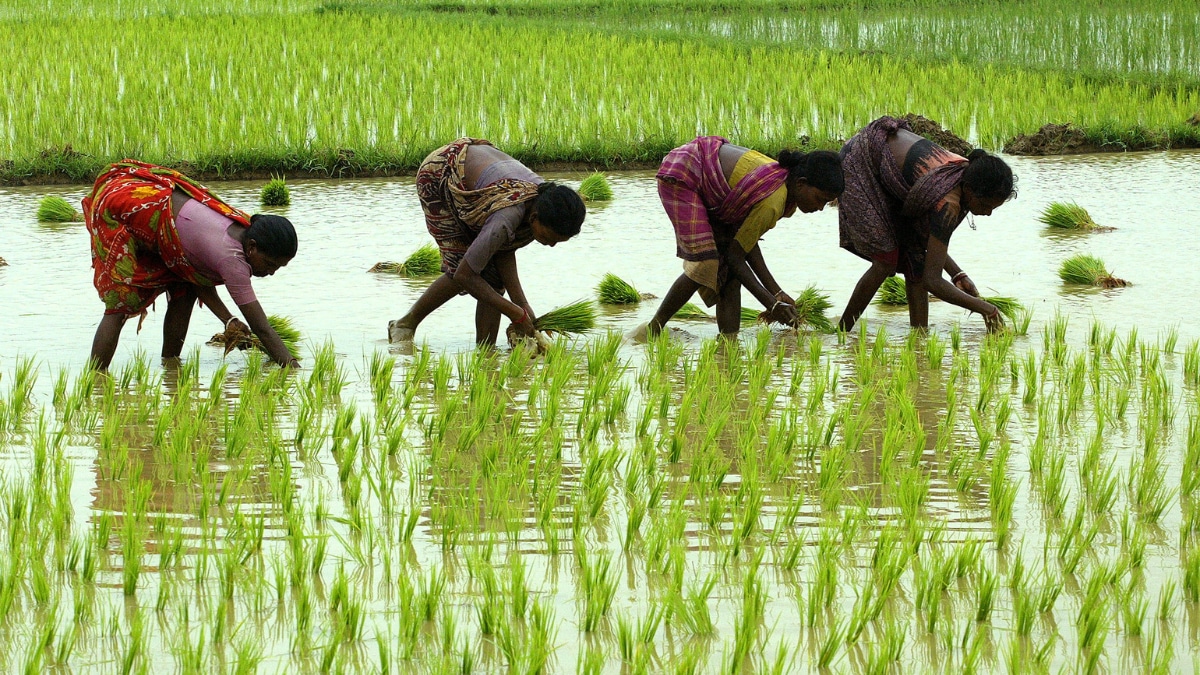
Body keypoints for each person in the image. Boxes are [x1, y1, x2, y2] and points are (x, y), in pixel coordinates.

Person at [84, 159, 299, 370]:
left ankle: (170, 366)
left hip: (164, 217)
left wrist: (228, 320)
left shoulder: (248, 227)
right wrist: (293, 368)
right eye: (270, 264)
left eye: (279, 268)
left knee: (184, 290)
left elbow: (195, 276)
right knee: (121, 303)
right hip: (122, 207)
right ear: (252, 247)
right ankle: (95, 379)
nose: (271, 272)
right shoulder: (232, 260)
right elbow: (261, 328)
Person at [388, 138, 585, 346]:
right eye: (547, 238)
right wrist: (515, 313)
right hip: (440, 174)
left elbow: (503, 249)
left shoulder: (544, 199)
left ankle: (486, 352)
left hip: (481, 175)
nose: (550, 245)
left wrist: (523, 308)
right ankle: (405, 324)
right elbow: (465, 274)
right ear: (534, 218)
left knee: (493, 277)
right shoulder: (506, 217)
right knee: (462, 264)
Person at [643, 136, 844, 336]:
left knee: (731, 274)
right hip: (685, 172)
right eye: (820, 199)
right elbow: (735, 255)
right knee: (706, 263)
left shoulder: (786, 189)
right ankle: (653, 329)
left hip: (707, 175)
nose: (820, 208)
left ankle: (728, 345)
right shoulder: (773, 202)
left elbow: (745, 244)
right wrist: (771, 304)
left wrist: (777, 294)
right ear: (801, 183)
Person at [835, 116, 1016, 333]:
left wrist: (958, 274)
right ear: (969, 191)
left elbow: (927, 247)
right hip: (859, 160)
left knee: (916, 259)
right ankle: (842, 332)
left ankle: (919, 338)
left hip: (885, 166)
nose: (987, 213)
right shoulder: (947, 202)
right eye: (986, 205)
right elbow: (932, 281)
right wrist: (987, 309)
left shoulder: (966, 172)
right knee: (885, 261)